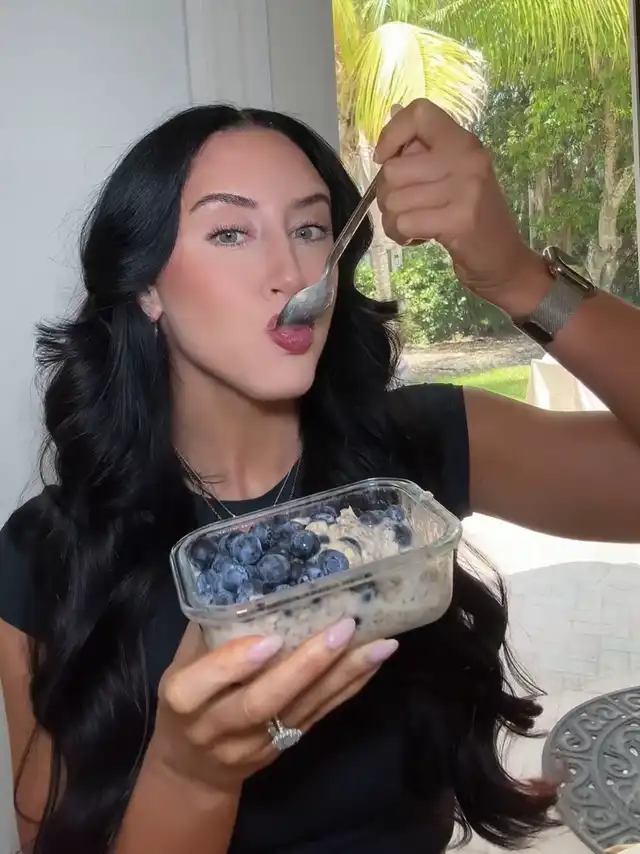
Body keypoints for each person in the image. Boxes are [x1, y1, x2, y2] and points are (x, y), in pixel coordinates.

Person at [0, 99, 639, 854]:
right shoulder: (46, 554)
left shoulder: (412, 451)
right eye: (231, 232)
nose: (292, 271)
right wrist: (193, 776)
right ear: (147, 287)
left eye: (310, 229)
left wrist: (520, 278)